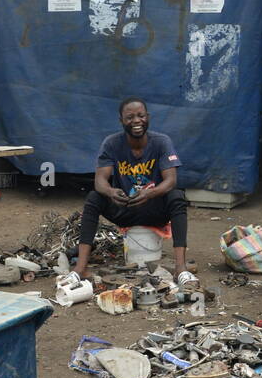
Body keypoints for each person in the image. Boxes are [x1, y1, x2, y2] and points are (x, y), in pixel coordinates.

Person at [75, 96, 194, 286]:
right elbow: (100, 181)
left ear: (148, 117)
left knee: (176, 196)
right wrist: (112, 192)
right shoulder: (112, 143)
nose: (136, 121)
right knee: (94, 197)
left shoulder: (161, 142)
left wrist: (150, 193)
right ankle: (80, 268)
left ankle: (181, 268)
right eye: (129, 117)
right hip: (125, 208)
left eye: (140, 116)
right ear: (121, 121)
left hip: (153, 209)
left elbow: (171, 180)